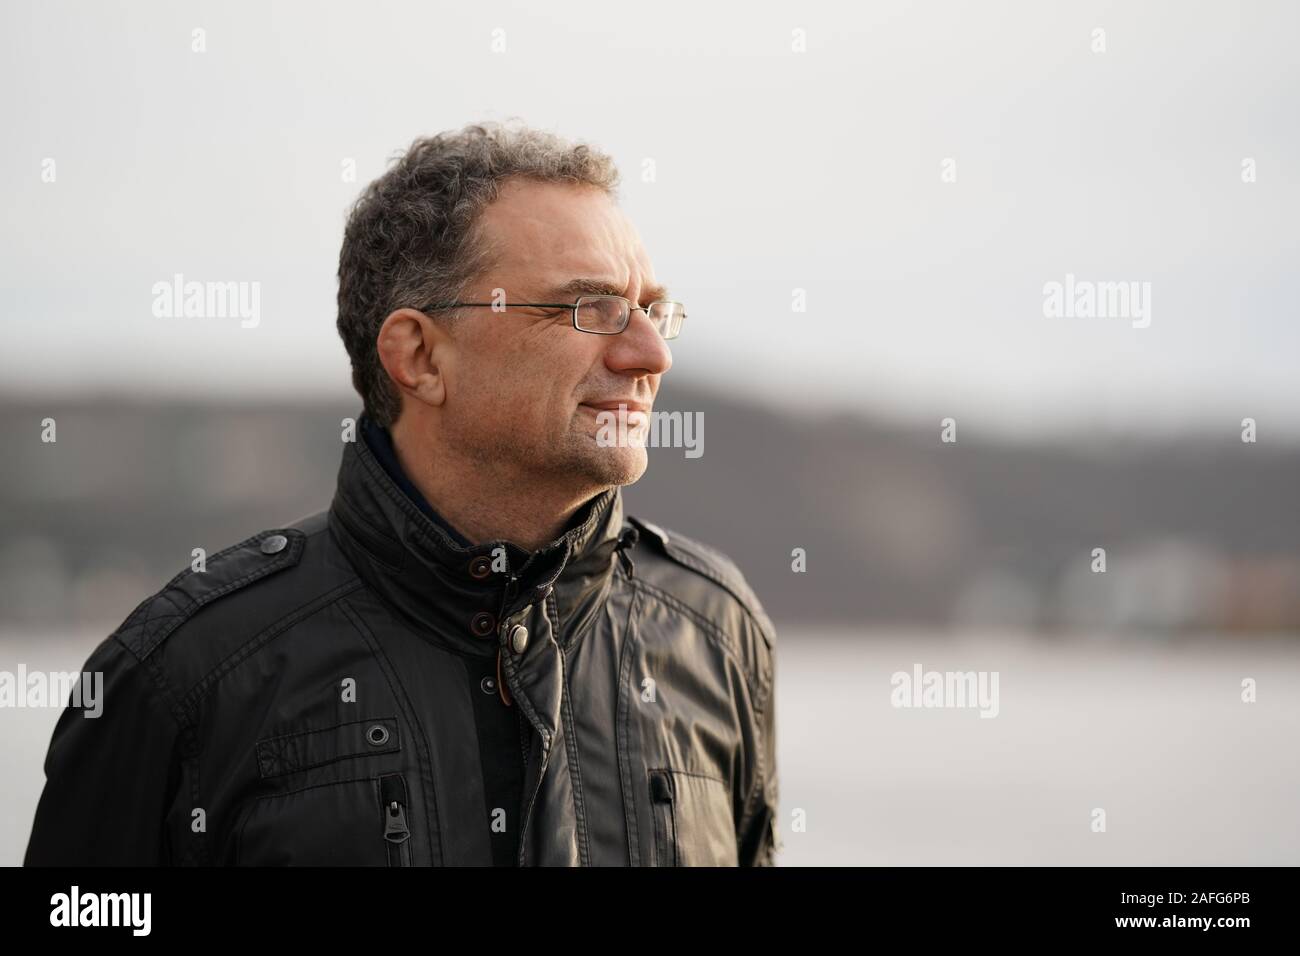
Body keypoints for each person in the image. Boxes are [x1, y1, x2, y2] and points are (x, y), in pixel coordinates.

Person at [24, 120, 780, 866]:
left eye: (653, 311)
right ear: (419, 356)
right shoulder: (188, 673)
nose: (650, 354)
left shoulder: (714, 633)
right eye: (589, 309)